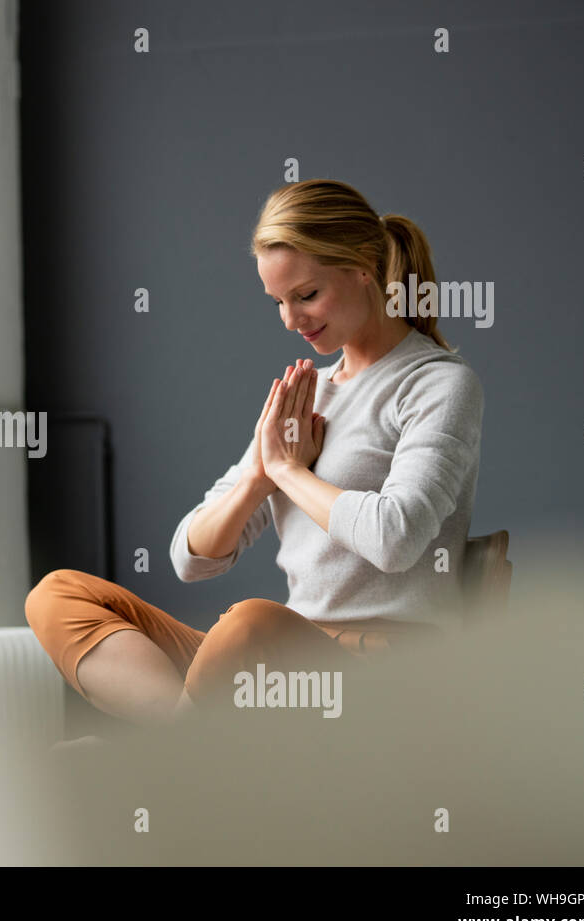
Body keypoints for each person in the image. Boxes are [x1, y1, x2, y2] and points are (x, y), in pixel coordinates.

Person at [25, 179, 484, 729]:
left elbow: (396, 538)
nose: (291, 321)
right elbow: (190, 560)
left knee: (247, 625)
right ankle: (188, 740)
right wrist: (258, 481)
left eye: (306, 295)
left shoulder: (436, 383)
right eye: (279, 303)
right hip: (277, 665)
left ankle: (181, 760)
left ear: (364, 266)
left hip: (373, 676)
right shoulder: (307, 390)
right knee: (59, 594)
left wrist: (289, 470)